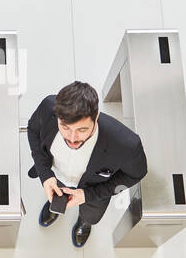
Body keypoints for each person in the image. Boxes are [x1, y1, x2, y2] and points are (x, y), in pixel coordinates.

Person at [26, 81, 147, 248]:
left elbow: (135, 174)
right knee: (57, 199)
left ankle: (84, 223)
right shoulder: (48, 107)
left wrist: (88, 195)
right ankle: (55, 208)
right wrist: (46, 175)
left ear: (96, 117)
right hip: (56, 176)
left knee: (91, 216)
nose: (72, 138)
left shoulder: (126, 144)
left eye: (82, 130)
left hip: (95, 190)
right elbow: (33, 131)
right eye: (65, 127)